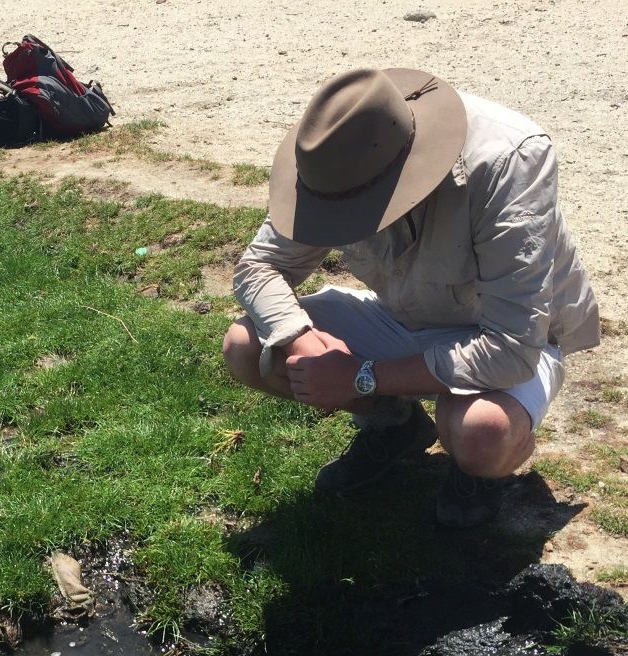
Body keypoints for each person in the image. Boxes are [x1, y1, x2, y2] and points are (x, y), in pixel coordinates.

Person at [223, 68, 600, 528]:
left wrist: (360, 377)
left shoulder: (508, 159)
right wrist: (303, 342)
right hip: (404, 316)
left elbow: (511, 349)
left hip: (506, 336)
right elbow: (258, 267)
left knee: (482, 434)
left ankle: (474, 469)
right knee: (247, 346)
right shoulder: (338, 155)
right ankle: (396, 426)